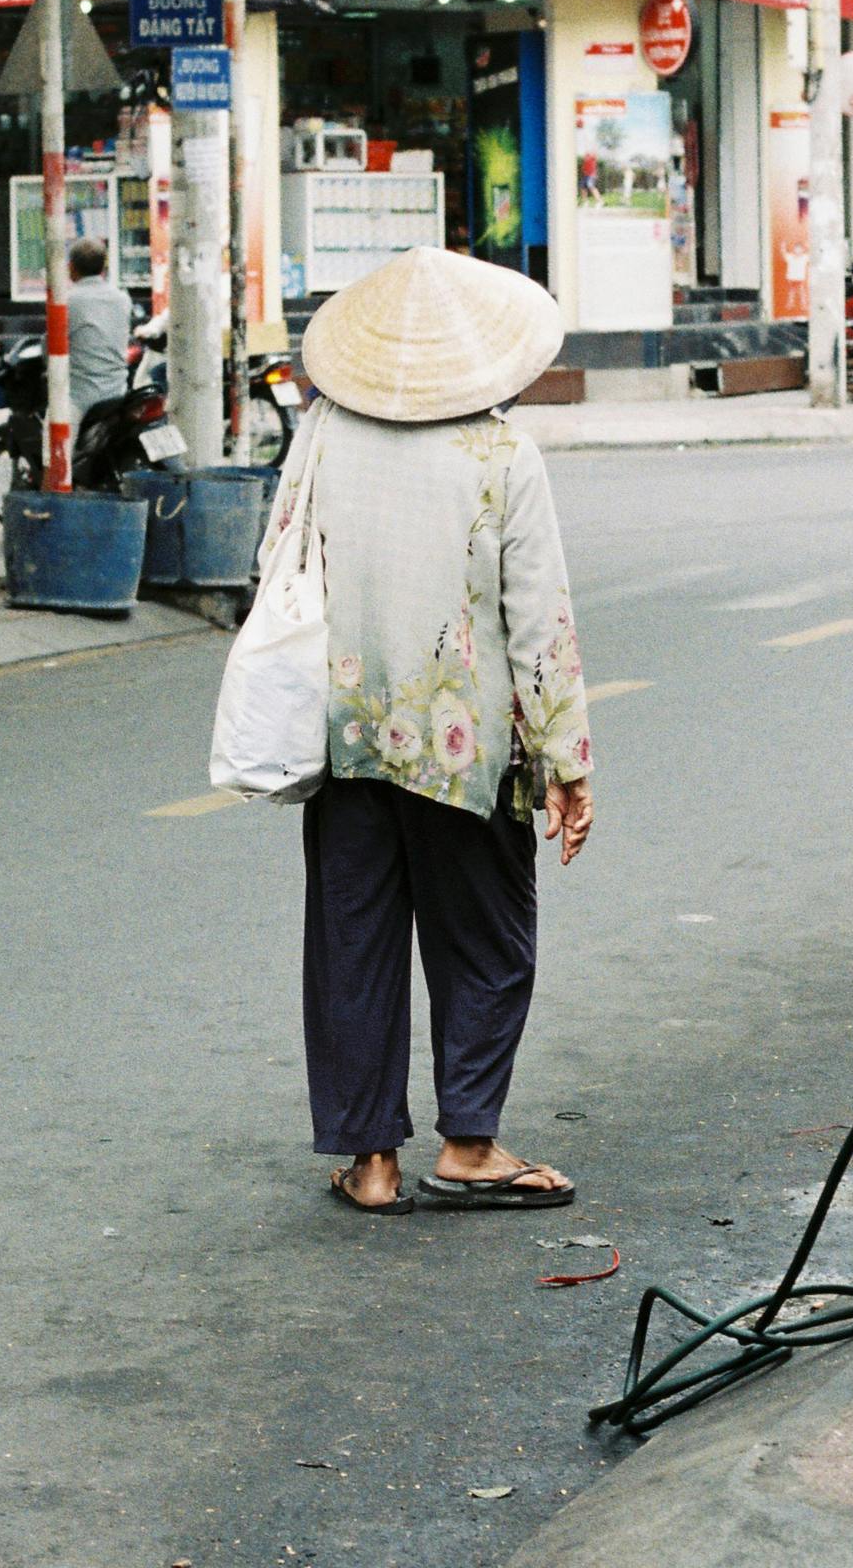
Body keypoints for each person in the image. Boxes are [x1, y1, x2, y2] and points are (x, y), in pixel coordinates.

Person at [275, 248, 597, 1217]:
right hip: (468, 751)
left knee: (353, 946)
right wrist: (566, 762)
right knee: (488, 942)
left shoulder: (323, 436)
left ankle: (371, 1163)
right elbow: (538, 621)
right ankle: (469, 1144)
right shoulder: (502, 456)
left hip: (347, 736)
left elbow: (280, 563)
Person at [61, 237, 133, 429]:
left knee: (53, 434)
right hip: (118, 392)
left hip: (80, 398)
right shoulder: (122, 299)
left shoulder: (67, 301)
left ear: (71, 267)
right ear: (103, 268)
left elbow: (52, 346)